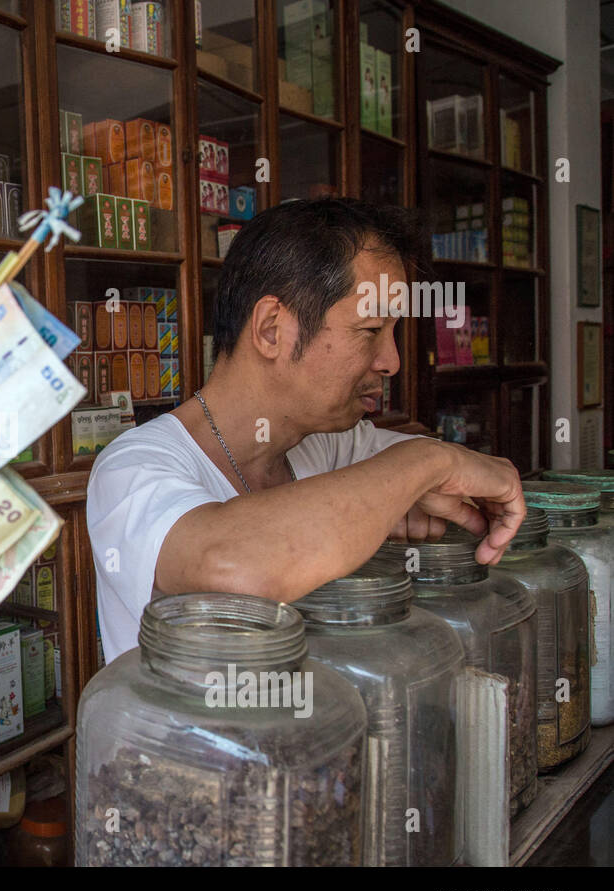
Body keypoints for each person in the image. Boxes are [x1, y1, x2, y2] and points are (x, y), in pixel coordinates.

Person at [86, 198, 525, 663]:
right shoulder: (131, 468)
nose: (391, 361)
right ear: (273, 329)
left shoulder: (334, 447)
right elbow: (231, 566)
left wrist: (425, 480)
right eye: (371, 330)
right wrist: (429, 463)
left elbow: (465, 489)